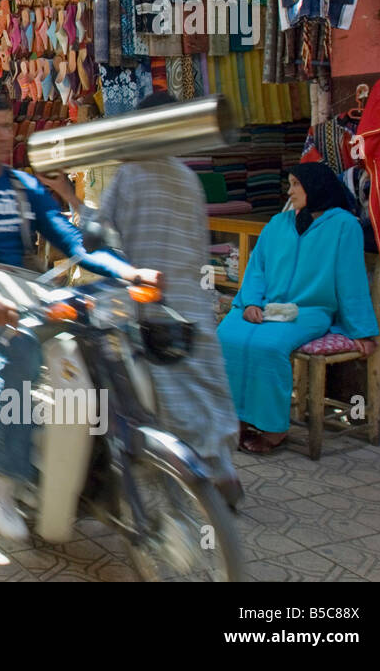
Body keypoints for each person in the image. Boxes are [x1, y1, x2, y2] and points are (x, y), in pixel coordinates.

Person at [0, 92, 160, 541]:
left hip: (23, 297)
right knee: (20, 348)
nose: (5, 135)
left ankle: (89, 469)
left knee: (97, 345)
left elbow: (76, 244)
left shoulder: (25, 188)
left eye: (8, 125)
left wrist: (128, 271)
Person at [42, 91, 242, 504]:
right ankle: (219, 467)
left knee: (162, 391)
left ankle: (184, 476)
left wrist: (70, 197)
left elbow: (99, 239)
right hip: (192, 300)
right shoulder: (187, 178)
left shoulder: (128, 178)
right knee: (203, 383)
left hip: (148, 302)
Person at [217, 163, 379, 454]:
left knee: (268, 345)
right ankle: (235, 419)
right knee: (226, 335)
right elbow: (257, 268)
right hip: (268, 307)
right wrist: (251, 302)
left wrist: (363, 330)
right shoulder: (278, 224)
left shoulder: (344, 226)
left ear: (315, 187)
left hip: (310, 311)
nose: (289, 191)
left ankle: (273, 429)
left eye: (295, 184)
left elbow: (350, 279)